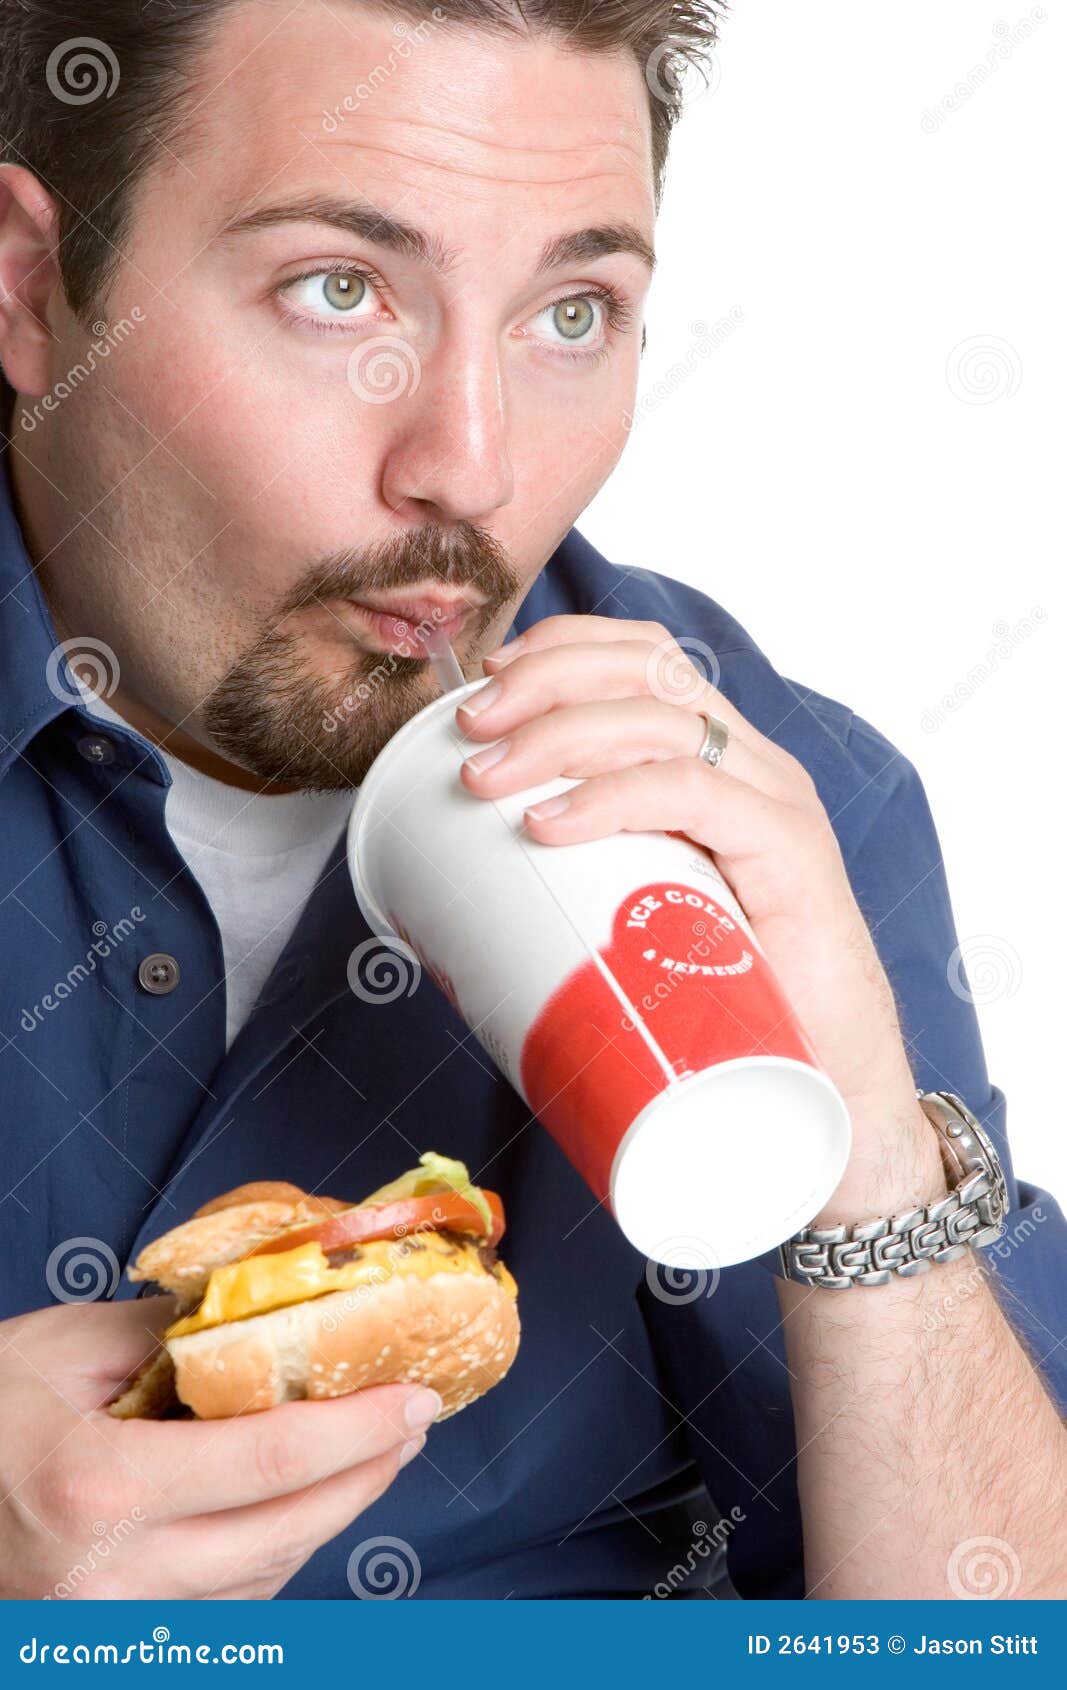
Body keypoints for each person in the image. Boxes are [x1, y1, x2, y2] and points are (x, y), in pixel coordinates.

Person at [0, 0, 1063, 1602]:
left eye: (573, 311)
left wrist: (877, 1189)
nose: (474, 471)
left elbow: (979, 1631)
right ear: (27, 286)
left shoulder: (778, 805)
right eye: (338, 289)